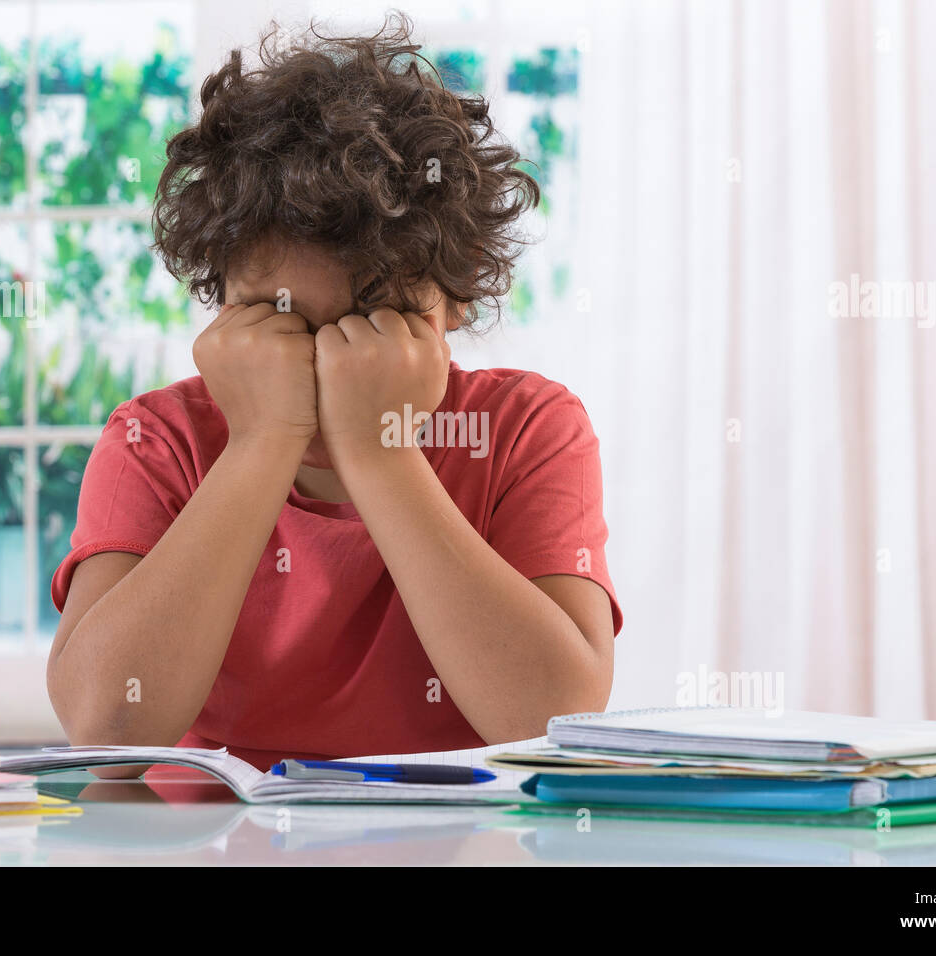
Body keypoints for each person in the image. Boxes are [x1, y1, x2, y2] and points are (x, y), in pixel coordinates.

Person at [46, 14, 621, 774]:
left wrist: (380, 455)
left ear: (455, 303)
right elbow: (105, 731)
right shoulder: (157, 441)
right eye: (279, 323)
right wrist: (259, 443)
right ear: (220, 298)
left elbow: (556, 721)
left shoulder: (526, 430)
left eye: (375, 323)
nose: (331, 367)